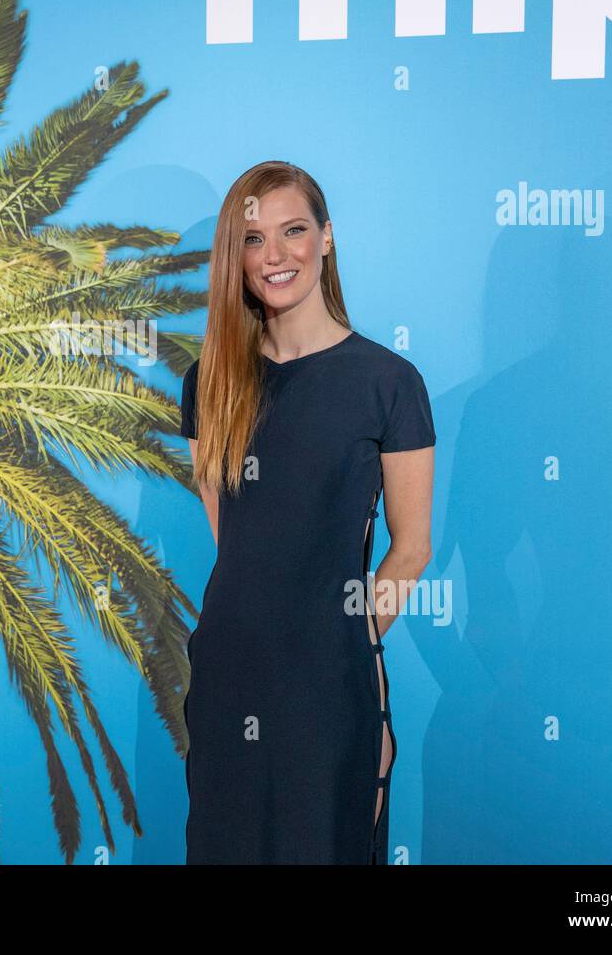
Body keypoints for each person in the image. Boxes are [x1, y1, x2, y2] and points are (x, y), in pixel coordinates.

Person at [180, 160, 436, 864]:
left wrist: (343, 635)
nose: (275, 255)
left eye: (294, 230)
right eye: (253, 239)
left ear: (326, 238)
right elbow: (233, 549)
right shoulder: (209, 383)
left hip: (332, 687)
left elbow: (411, 549)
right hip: (229, 675)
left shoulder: (388, 383)